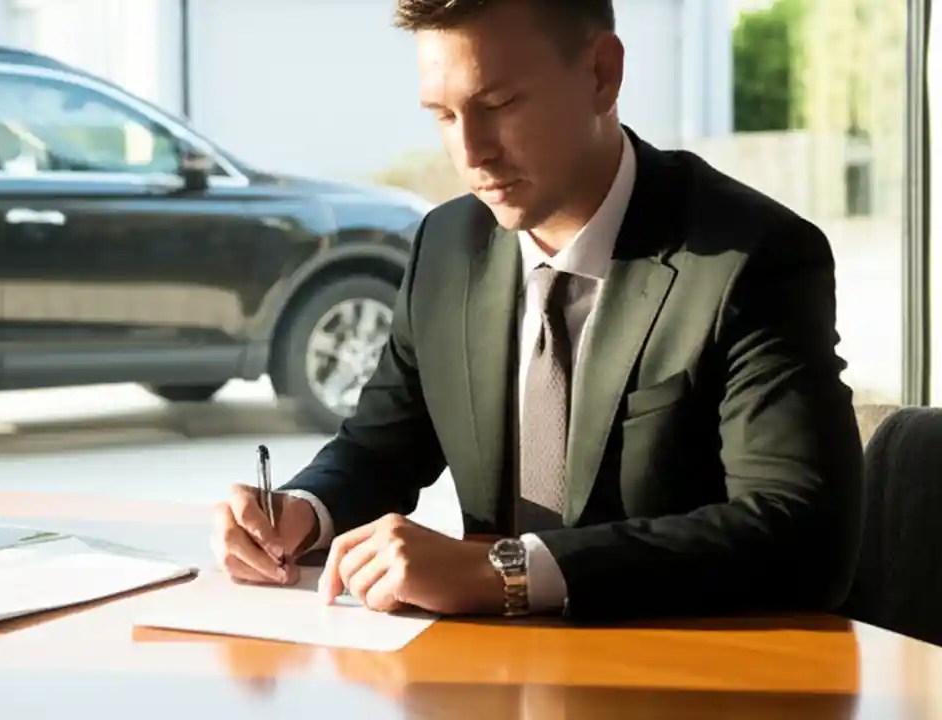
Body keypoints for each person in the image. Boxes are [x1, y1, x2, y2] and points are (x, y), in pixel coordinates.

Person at [210, 0, 862, 620]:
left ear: (602, 75)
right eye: (442, 115)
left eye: (498, 104)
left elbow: (800, 533)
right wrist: (300, 508)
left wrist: (508, 572)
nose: (470, 153)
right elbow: (381, 447)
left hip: (678, 673)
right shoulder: (446, 246)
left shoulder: (752, 258)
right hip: (490, 678)